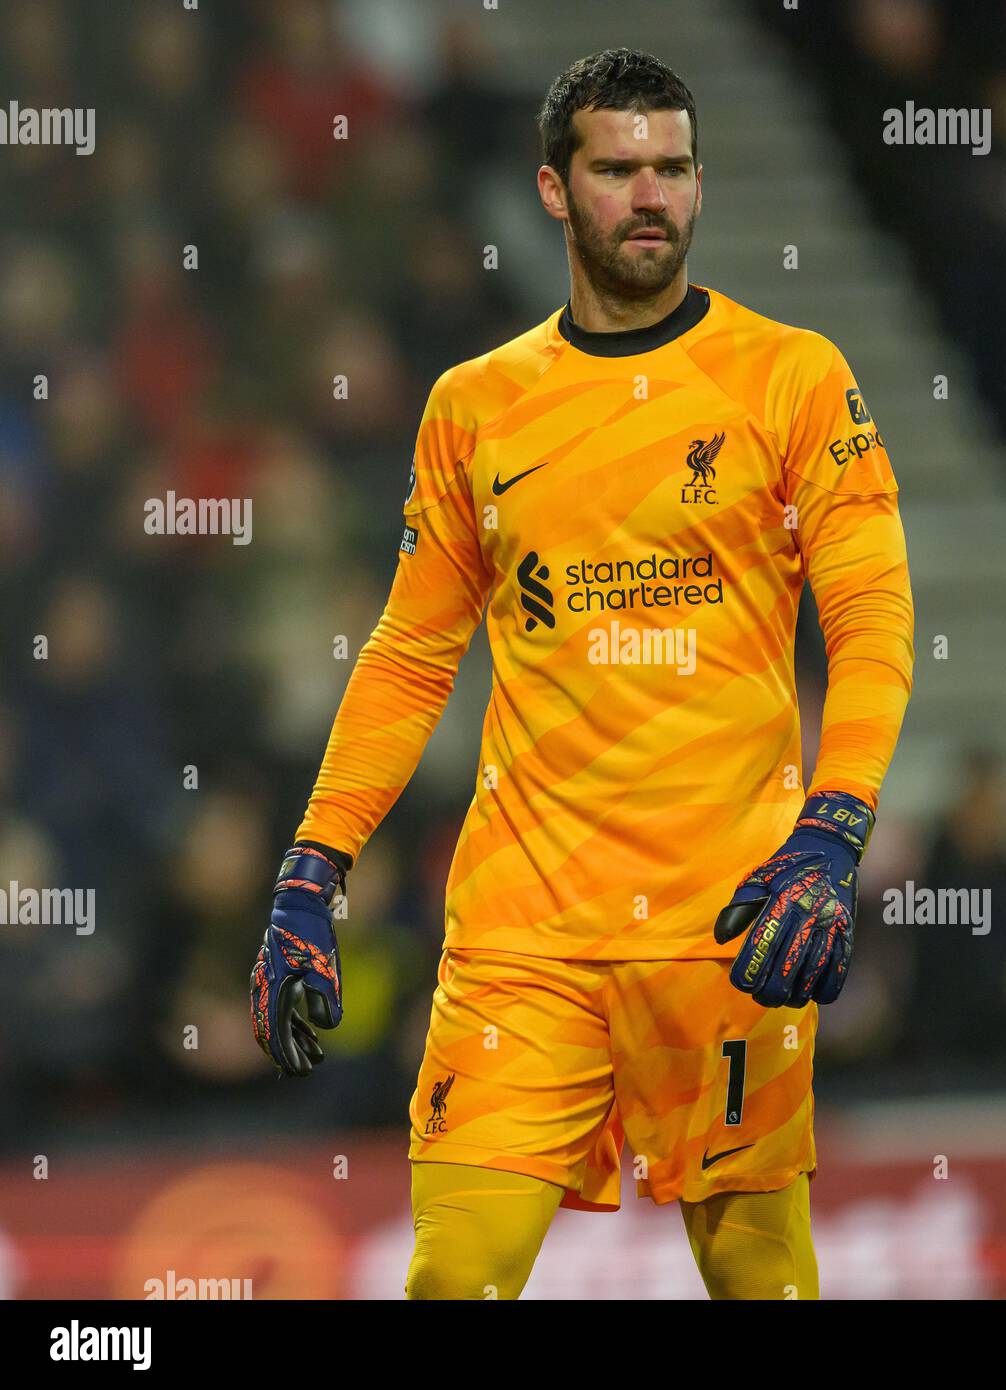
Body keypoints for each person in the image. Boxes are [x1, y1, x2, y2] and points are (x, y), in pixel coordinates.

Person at [249, 47, 914, 1300]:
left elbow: (874, 615)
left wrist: (836, 825)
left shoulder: (794, 377)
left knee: (762, 1280)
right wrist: (311, 866)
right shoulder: (475, 407)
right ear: (555, 191)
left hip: (730, 923)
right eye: (618, 170)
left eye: (672, 168)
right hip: (524, 935)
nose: (650, 195)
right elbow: (408, 654)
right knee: (454, 1281)